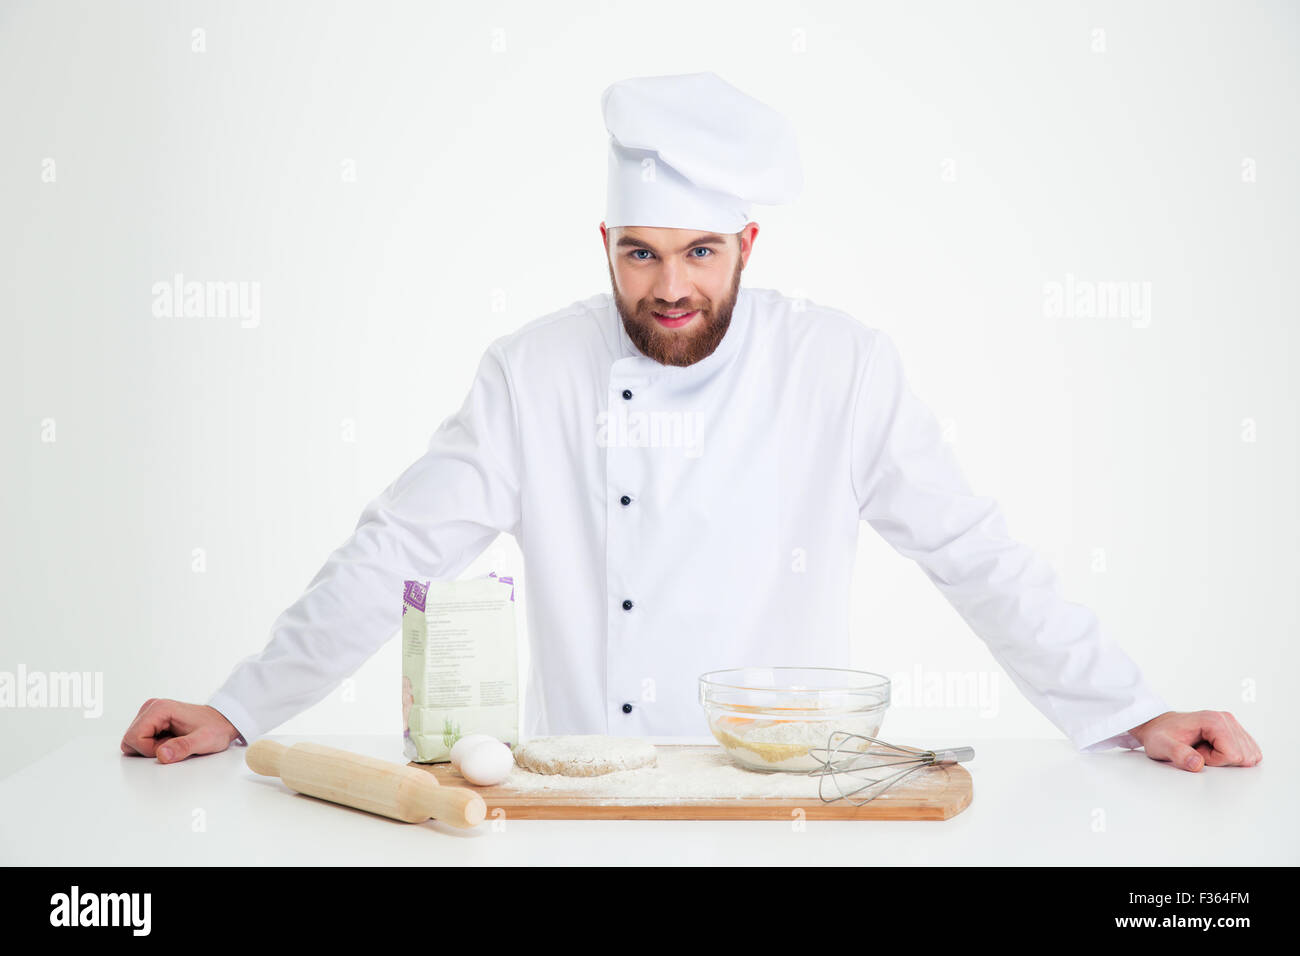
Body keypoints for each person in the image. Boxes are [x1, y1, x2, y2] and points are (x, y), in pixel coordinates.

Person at [122, 72, 1261, 774]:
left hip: (785, 812)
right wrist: (239, 703)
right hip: (582, 805)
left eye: (700, 254)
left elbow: (977, 555)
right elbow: (397, 552)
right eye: (642, 254)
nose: (671, 289)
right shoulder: (532, 374)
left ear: (748, 248)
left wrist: (1129, 710)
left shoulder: (839, 368)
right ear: (603, 244)